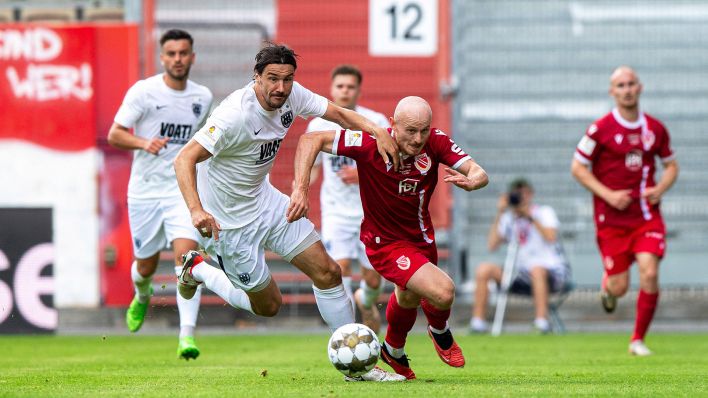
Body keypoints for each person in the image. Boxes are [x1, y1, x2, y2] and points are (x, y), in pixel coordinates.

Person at [173, 43, 404, 382]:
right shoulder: (233, 114)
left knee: (328, 272)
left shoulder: (292, 95)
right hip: (229, 224)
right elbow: (184, 159)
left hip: (267, 203)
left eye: (287, 79)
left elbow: (338, 114)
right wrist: (196, 210)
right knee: (269, 306)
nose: (281, 88)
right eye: (272, 79)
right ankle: (198, 269)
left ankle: (356, 368)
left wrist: (378, 130)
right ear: (257, 77)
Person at [290, 96, 489, 380]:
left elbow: (477, 171)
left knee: (408, 299)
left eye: (424, 130)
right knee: (443, 292)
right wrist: (301, 189)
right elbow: (310, 140)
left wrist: (475, 180)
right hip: (384, 243)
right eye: (410, 130)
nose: (418, 138)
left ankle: (393, 349)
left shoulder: (436, 141)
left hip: (421, 238)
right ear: (392, 124)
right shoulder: (370, 143)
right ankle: (440, 331)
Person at [107, 29, 213, 359]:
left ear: (192, 57)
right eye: (172, 53)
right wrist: (144, 143)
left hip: (181, 192)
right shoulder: (144, 92)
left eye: (184, 53)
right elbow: (114, 135)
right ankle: (141, 295)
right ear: (162, 57)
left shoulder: (203, 97)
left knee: (187, 260)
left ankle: (186, 337)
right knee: (146, 266)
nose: (178, 59)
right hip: (145, 192)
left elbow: (202, 143)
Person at [571, 66, 678, 356]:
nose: (627, 89)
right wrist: (607, 194)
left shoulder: (654, 129)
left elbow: (671, 166)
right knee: (619, 288)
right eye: (621, 85)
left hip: (646, 216)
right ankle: (609, 288)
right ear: (612, 92)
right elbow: (577, 167)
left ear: (640, 88)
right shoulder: (600, 129)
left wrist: (660, 189)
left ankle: (637, 340)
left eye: (631, 84)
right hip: (611, 220)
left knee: (650, 272)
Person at [305, 65, 389, 332]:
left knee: (373, 280)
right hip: (336, 213)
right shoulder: (318, 125)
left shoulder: (375, 122)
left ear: (358, 90)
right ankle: (349, 332)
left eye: (350, 87)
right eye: (340, 86)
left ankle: (365, 300)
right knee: (338, 270)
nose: (344, 91)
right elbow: (314, 166)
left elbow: (392, 166)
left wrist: (364, 172)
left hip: (370, 214)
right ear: (332, 89)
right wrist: (300, 188)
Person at [470, 178, 568, 334]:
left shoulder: (544, 212)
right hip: (522, 275)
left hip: (552, 274)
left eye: (524, 193)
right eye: (517, 194)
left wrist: (529, 216)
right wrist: (500, 212)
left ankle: (541, 322)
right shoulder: (509, 218)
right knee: (484, 269)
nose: (521, 197)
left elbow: (550, 236)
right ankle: (478, 323)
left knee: (537, 270)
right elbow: (492, 245)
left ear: (531, 194)